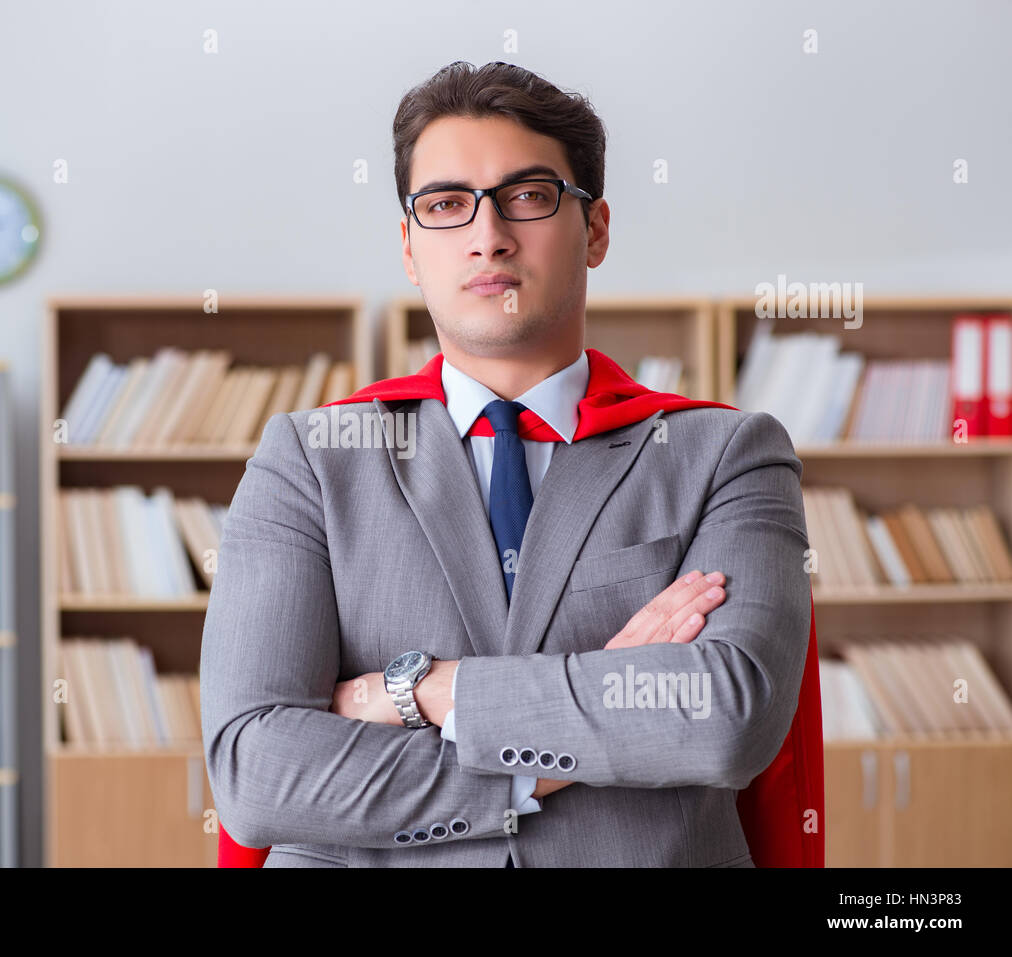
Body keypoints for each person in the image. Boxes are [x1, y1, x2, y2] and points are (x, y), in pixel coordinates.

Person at [200, 60, 819, 867]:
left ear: (594, 230)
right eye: (447, 205)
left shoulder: (726, 456)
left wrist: (416, 690)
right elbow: (256, 773)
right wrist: (564, 737)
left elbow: (726, 717)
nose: (488, 235)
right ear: (411, 248)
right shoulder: (311, 463)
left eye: (528, 196)